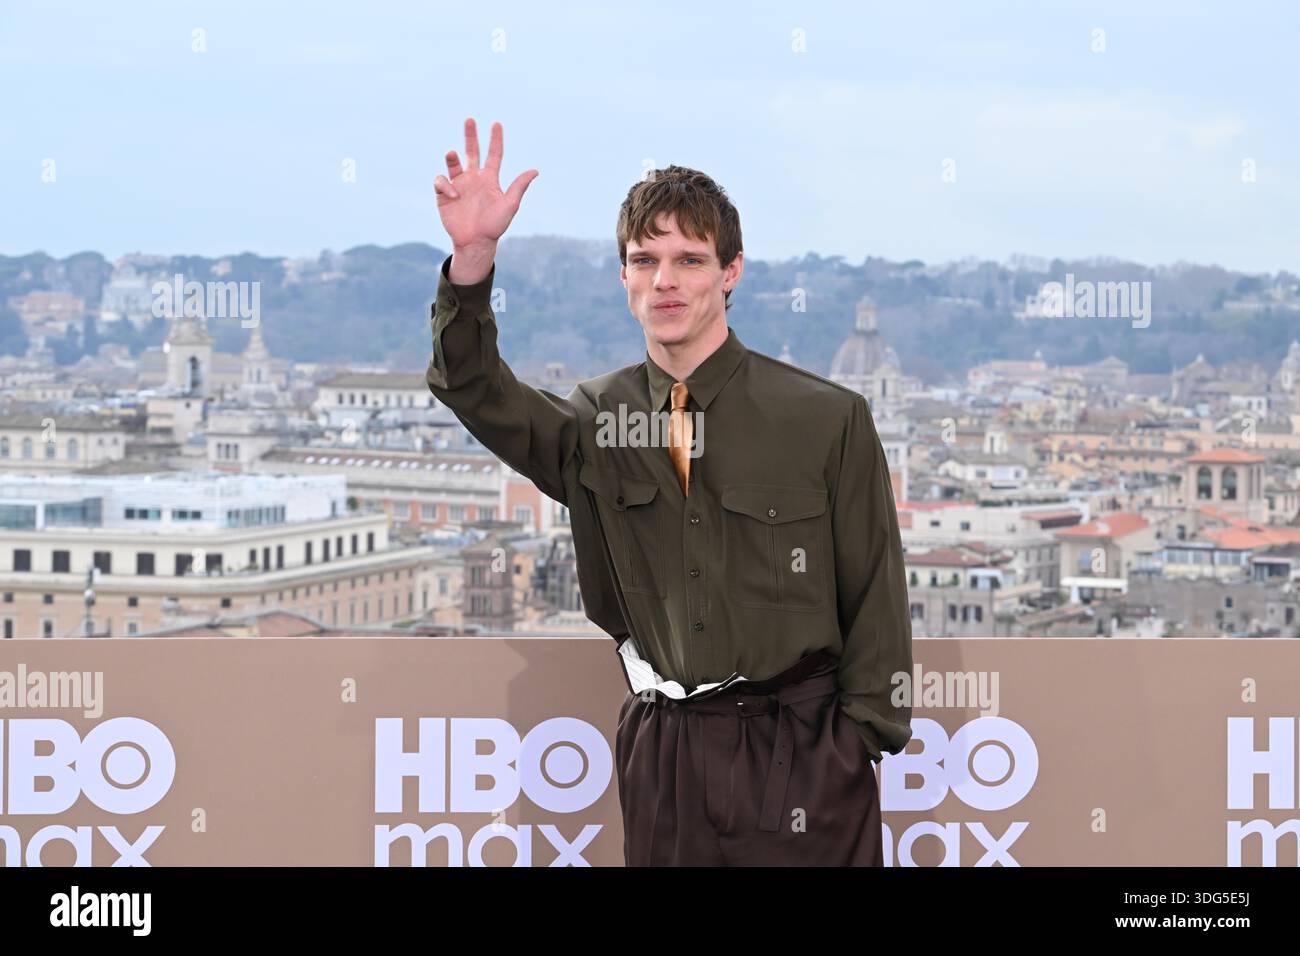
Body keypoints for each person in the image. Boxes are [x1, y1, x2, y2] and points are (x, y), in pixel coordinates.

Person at [428, 117, 912, 866]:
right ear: (622, 277)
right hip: (667, 757)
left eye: (690, 259)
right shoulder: (594, 419)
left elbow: (877, 598)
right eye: (644, 259)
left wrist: (855, 749)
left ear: (732, 272)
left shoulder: (828, 418)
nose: (666, 280)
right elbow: (472, 388)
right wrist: (473, 261)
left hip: (808, 756)